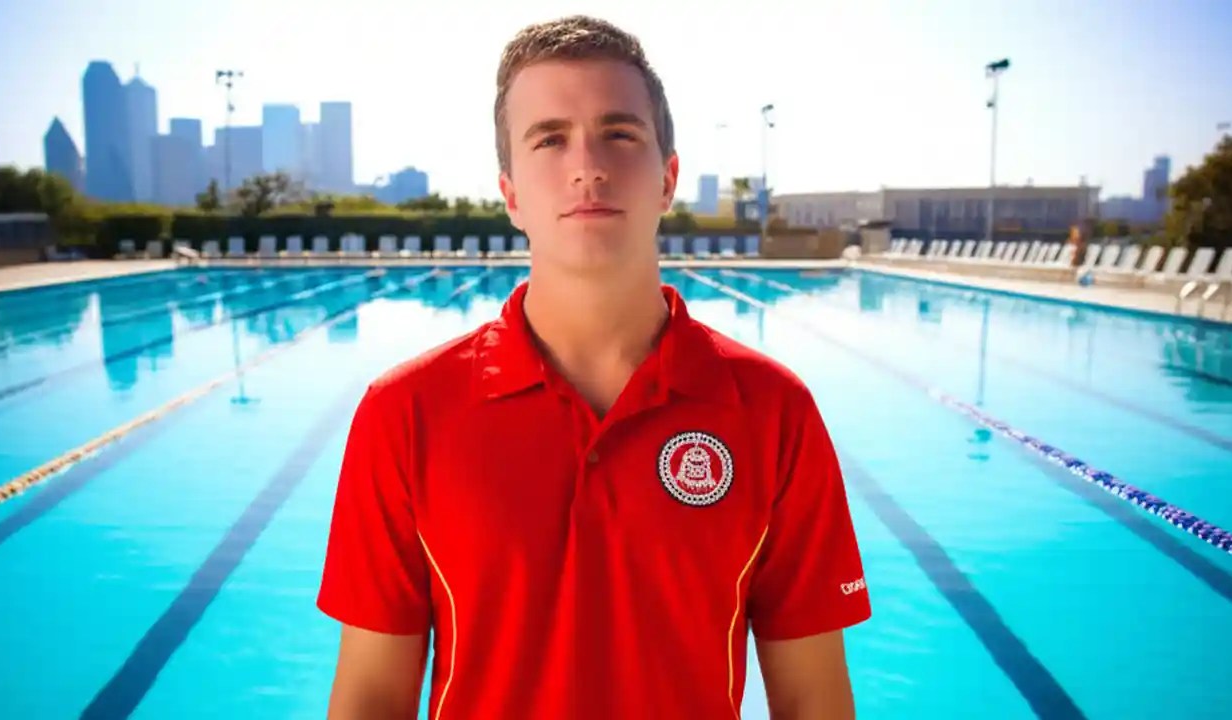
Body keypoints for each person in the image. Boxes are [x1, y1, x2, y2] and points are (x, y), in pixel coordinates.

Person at [317, 15, 871, 719]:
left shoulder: (772, 411)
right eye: (550, 139)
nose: (587, 166)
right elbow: (369, 696)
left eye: (620, 134)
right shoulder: (405, 414)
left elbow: (813, 697)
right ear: (511, 192)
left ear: (667, 179)